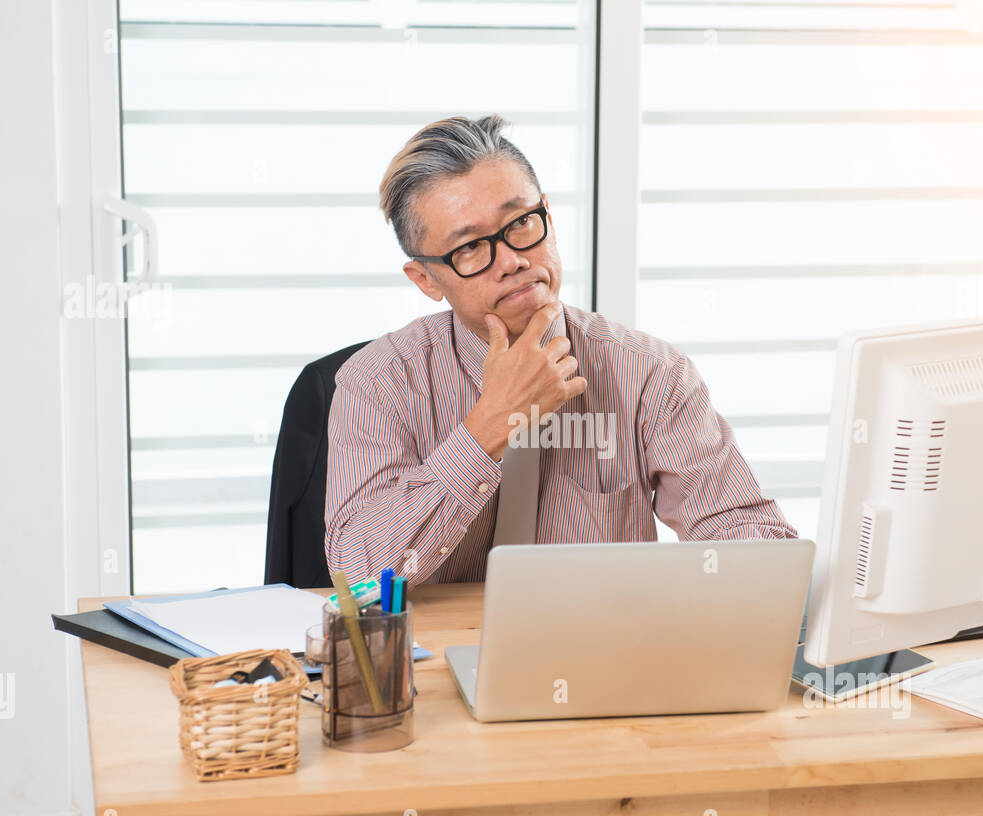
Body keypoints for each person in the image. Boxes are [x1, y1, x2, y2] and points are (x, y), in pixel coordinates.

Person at [324, 114, 798, 585]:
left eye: (522, 222)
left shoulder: (650, 371)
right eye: (469, 248)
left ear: (547, 215)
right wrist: (492, 422)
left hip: (605, 649)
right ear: (426, 279)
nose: (512, 260)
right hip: (430, 653)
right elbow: (356, 574)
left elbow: (746, 537)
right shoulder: (378, 380)